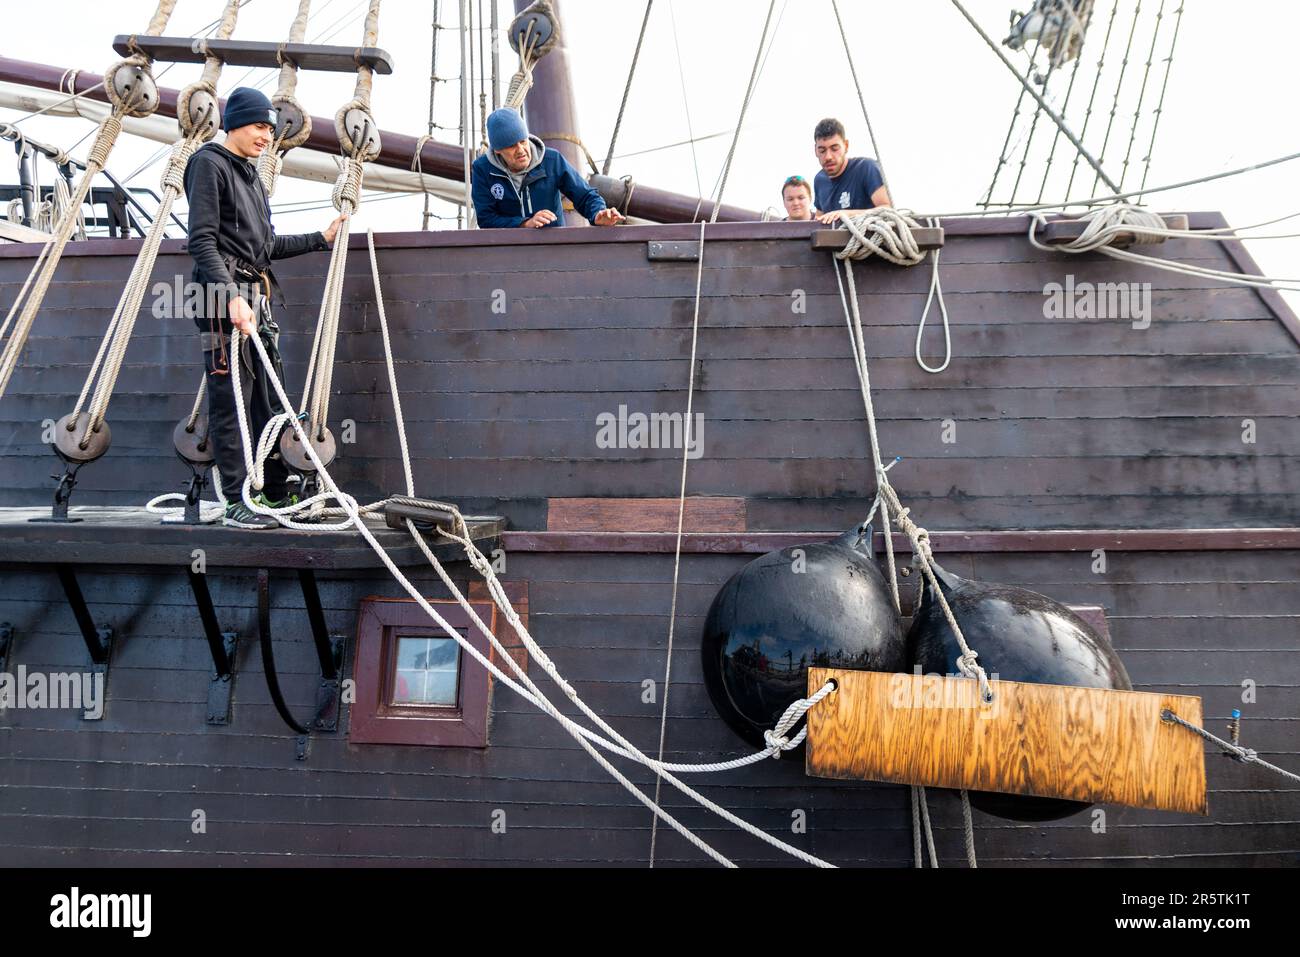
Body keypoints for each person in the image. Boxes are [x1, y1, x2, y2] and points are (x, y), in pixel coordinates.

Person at [184, 87, 344, 529]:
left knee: (268, 400)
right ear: (233, 123)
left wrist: (320, 239)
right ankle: (237, 499)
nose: (266, 136)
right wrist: (230, 295)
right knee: (229, 399)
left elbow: (265, 246)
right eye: (259, 126)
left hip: (254, 294)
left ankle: (274, 490)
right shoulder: (208, 164)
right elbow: (201, 239)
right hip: (221, 296)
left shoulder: (251, 175)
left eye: (270, 129)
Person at [471, 107, 623, 228]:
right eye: (511, 146)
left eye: (522, 141)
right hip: (507, 254)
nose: (521, 150)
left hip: (552, 250)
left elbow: (584, 195)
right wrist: (525, 223)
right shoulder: (482, 170)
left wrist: (598, 214)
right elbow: (486, 218)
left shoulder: (552, 160)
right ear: (497, 150)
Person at [811, 117, 892, 224]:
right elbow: (819, 219)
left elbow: (887, 209)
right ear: (815, 150)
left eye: (834, 149)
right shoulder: (819, 180)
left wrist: (845, 214)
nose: (828, 157)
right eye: (822, 150)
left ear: (846, 146)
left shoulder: (866, 168)